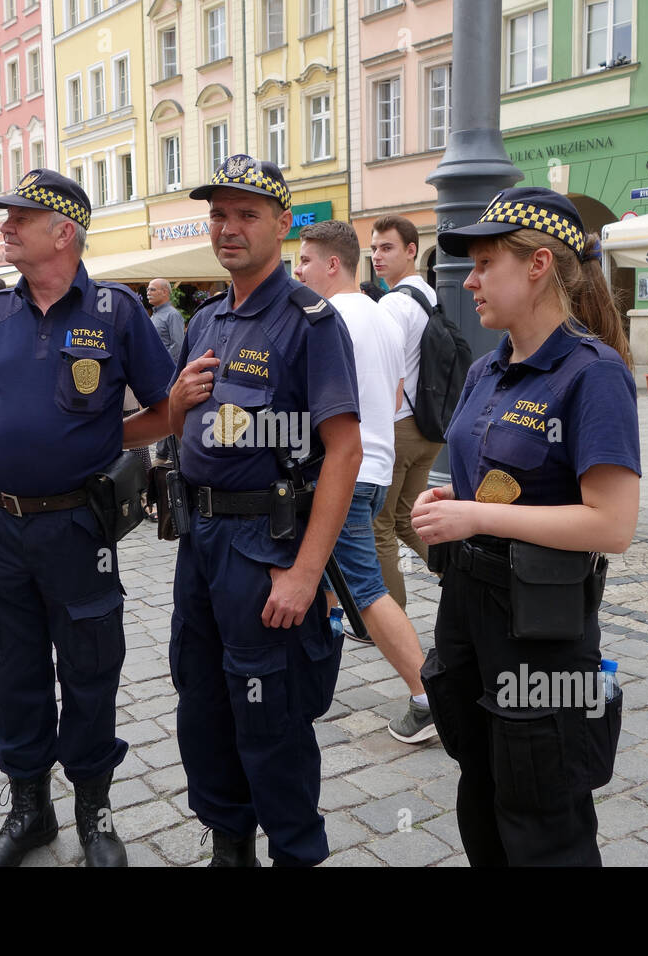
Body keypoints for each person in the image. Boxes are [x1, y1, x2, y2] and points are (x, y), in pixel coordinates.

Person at [0, 168, 174, 868]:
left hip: (79, 530)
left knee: (92, 670)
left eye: (18, 218)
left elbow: (163, 410)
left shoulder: (118, 312)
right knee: (15, 669)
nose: (4, 227)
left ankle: (94, 811)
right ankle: (29, 810)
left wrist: (105, 440)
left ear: (62, 232)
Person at [411, 187, 640, 866]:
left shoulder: (591, 374)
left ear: (538, 264)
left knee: (542, 816)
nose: (469, 280)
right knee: (480, 794)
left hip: (540, 628)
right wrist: (462, 496)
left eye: (484, 264)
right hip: (471, 610)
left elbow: (613, 524)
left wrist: (475, 513)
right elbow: (508, 480)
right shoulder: (489, 367)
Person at [169, 155, 361, 867]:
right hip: (200, 542)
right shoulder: (206, 318)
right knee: (204, 702)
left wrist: (306, 573)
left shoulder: (310, 321)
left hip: (265, 547)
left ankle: (295, 853)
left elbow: (343, 451)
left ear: (284, 225)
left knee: (270, 714)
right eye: (219, 214)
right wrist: (174, 404)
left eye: (246, 214)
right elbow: (177, 429)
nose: (229, 227)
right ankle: (229, 846)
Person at [293, 220, 436, 744]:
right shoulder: (383, 316)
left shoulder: (326, 319)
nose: (298, 271)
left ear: (333, 263)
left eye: (305, 260)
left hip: (346, 471)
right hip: (376, 463)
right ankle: (316, 675)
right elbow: (397, 395)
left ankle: (427, 698)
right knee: (330, 579)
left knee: (366, 590)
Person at [370, 215, 441, 609]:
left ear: (411, 250)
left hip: (399, 428)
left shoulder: (395, 303)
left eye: (387, 248)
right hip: (430, 428)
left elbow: (388, 369)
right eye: (375, 248)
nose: (378, 257)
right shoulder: (429, 296)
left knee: (380, 523)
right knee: (406, 518)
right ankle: (458, 576)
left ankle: (385, 617)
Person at [146, 278, 186, 466]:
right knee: (163, 415)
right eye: (147, 289)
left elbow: (178, 346)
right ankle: (163, 459)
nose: (148, 292)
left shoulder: (172, 315)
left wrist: (161, 368)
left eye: (153, 289)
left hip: (168, 376)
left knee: (171, 416)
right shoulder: (154, 316)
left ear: (165, 292)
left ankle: (180, 462)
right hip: (158, 375)